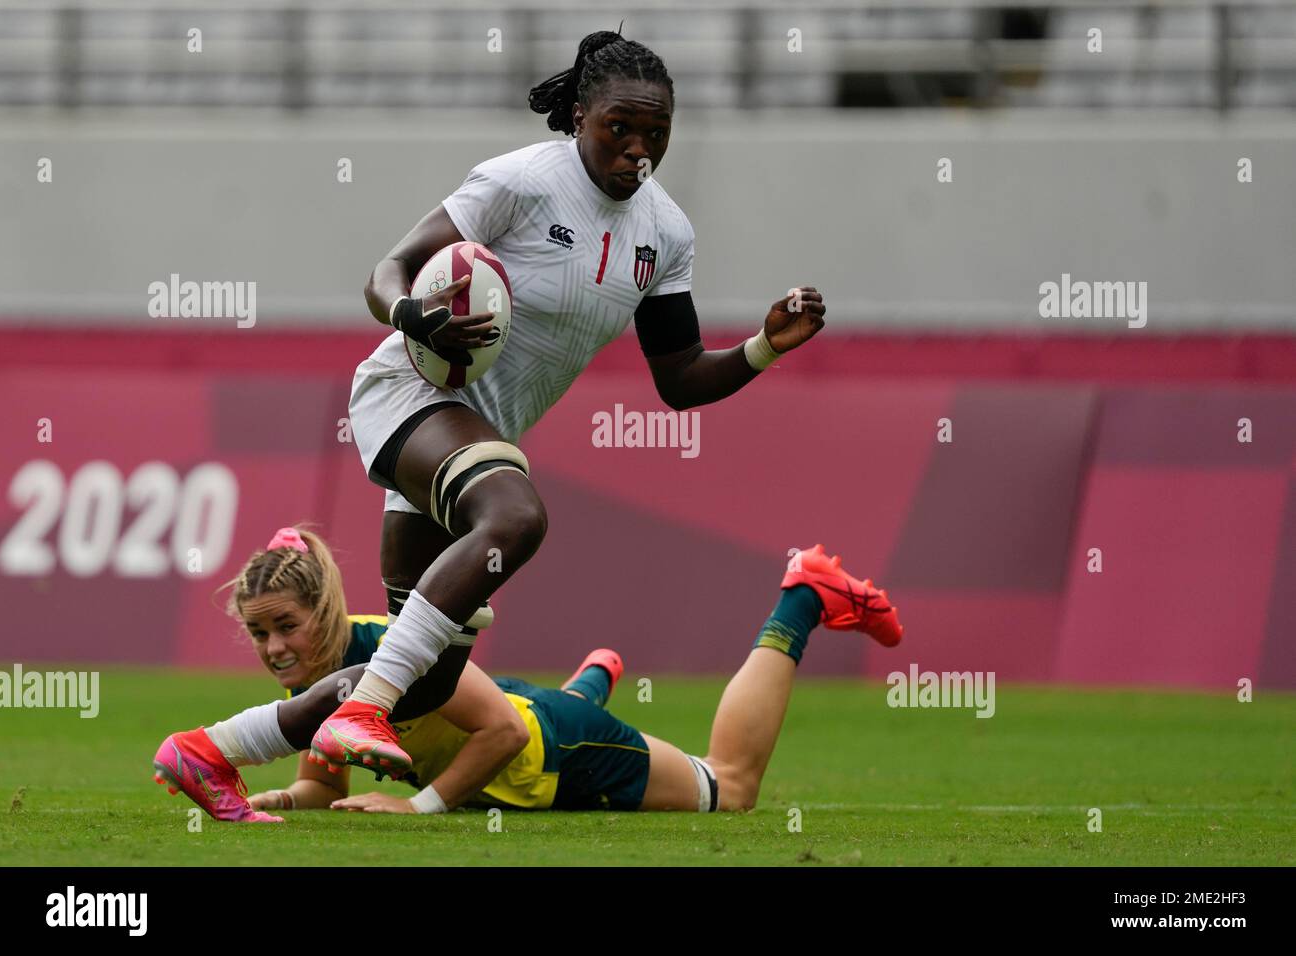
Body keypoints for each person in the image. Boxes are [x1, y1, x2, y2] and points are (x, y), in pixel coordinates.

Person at [314, 26, 829, 779]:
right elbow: (388, 270)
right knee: (517, 516)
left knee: (426, 682)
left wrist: (764, 345)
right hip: (409, 395)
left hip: (475, 435)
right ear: (580, 115)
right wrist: (409, 315)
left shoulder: (667, 232)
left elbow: (679, 377)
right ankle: (358, 716)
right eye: (620, 128)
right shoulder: (521, 181)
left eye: (656, 134)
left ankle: (226, 746)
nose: (637, 150)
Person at [153, 527, 902, 819]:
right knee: (532, 704)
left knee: (729, 789)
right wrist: (277, 800)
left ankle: (804, 598)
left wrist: (419, 811)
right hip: (526, 734)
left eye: (286, 625)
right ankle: (588, 684)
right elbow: (325, 784)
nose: (275, 647)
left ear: (326, 608)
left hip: (561, 754)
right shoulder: (311, 685)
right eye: (259, 633)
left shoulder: (386, 651)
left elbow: (503, 732)